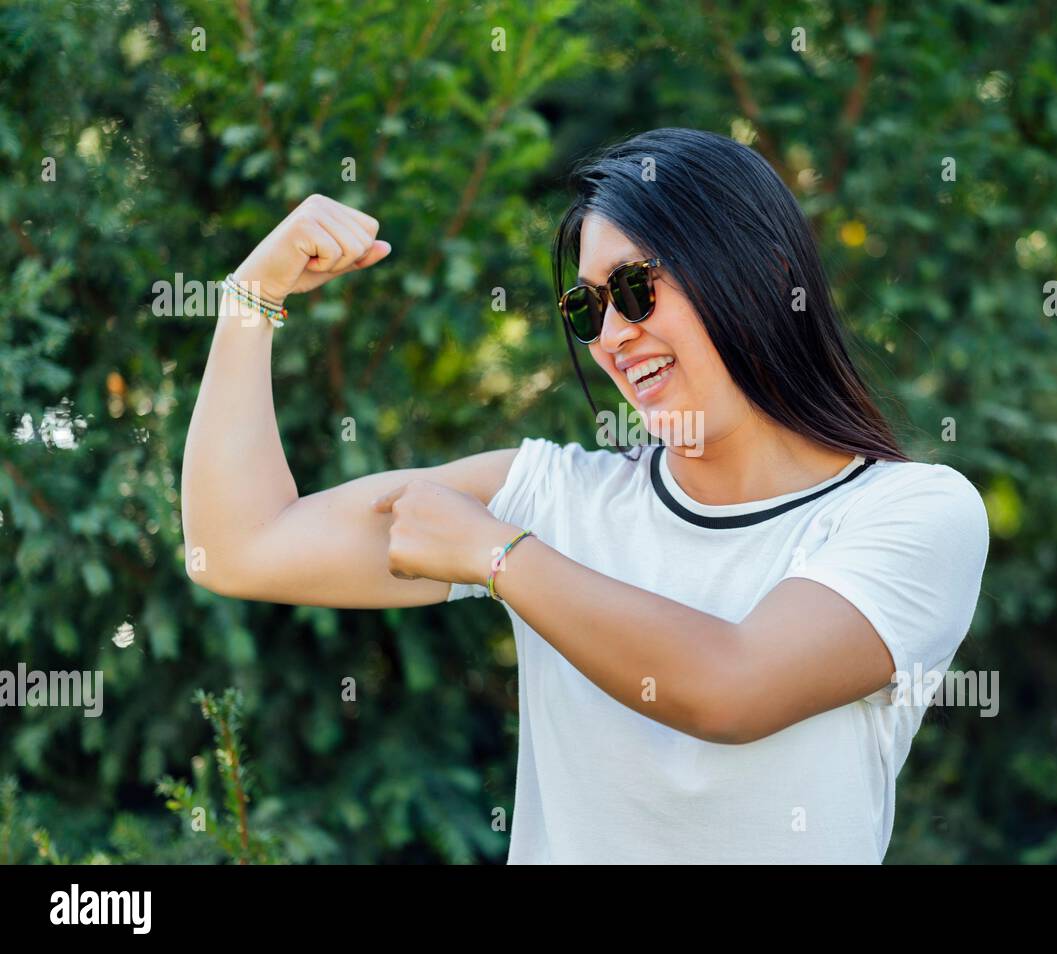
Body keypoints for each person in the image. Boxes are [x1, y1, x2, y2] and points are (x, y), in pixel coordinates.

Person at [182, 127, 990, 864]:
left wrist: (495, 555)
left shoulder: (912, 513)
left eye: (637, 288)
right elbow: (236, 546)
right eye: (587, 306)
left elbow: (731, 687)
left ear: (767, 273)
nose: (610, 335)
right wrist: (250, 300)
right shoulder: (551, 495)